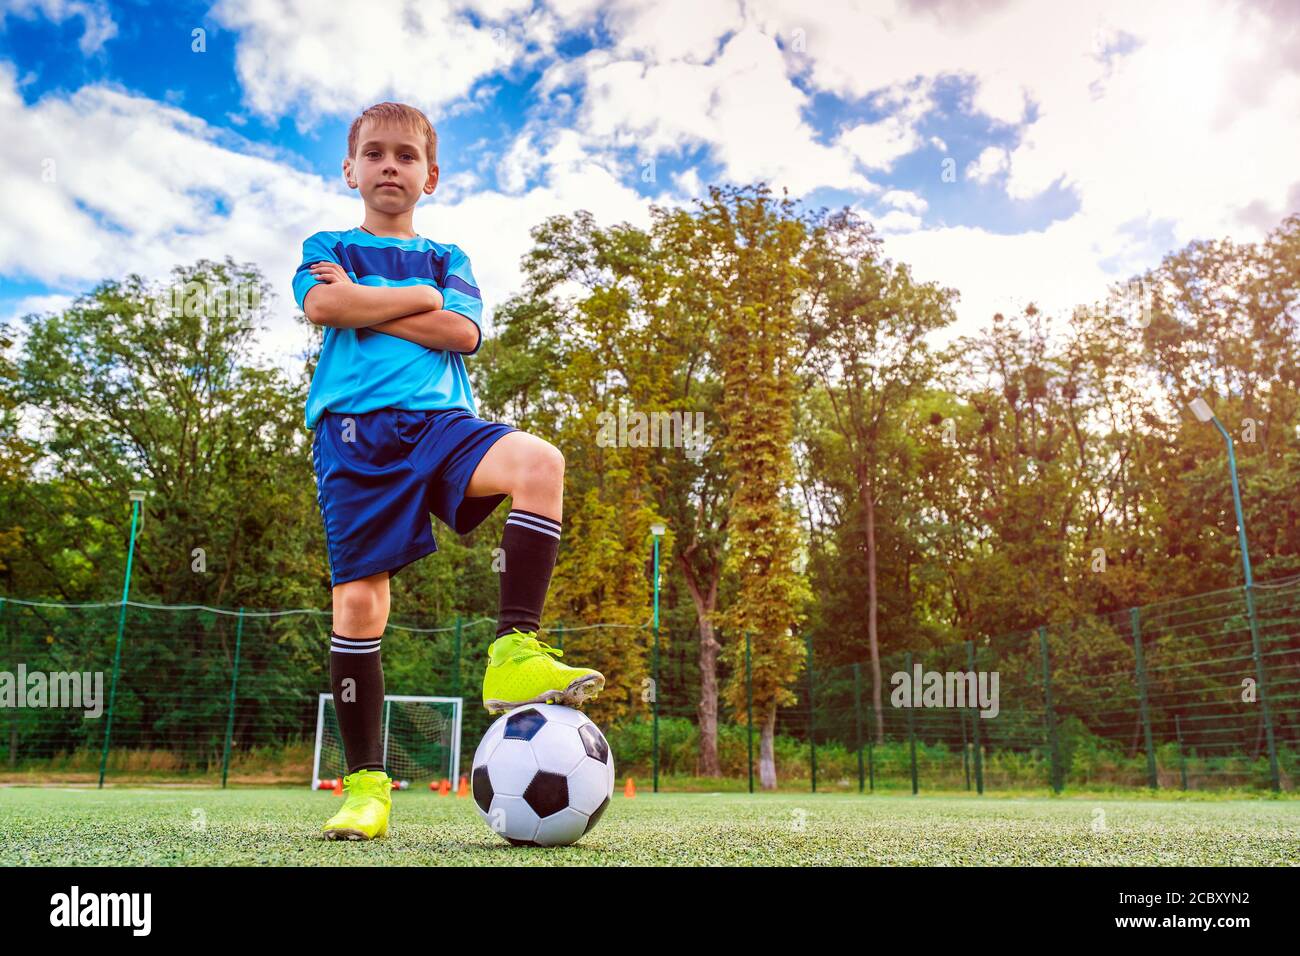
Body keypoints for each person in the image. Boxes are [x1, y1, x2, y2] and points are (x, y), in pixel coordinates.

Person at [293, 102, 603, 841]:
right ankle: (367, 788)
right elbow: (321, 304)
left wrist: (370, 304)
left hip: (440, 426)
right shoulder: (326, 242)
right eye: (374, 154)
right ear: (350, 170)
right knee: (359, 609)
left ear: (430, 175)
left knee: (539, 462)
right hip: (353, 439)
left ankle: (512, 652)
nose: (389, 165)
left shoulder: (447, 260)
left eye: (405, 155)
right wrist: (408, 303)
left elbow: (459, 331)